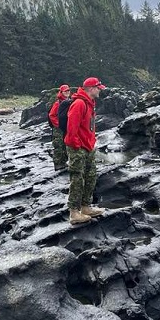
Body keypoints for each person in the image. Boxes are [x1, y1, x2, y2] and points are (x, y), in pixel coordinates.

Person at [63, 76, 106, 225]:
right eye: (98, 88)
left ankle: (86, 207)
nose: (100, 91)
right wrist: (77, 145)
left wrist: (91, 142)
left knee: (91, 176)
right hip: (78, 147)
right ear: (91, 89)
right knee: (77, 178)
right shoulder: (79, 103)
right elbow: (71, 128)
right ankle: (74, 212)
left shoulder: (89, 103)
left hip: (87, 146)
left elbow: (88, 126)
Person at [48, 84, 72, 171]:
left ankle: (64, 162)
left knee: (65, 144)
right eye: (65, 91)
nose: (67, 92)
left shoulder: (69, 101)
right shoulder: (57, 103)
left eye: (68, 90)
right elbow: (51, 115)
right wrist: (58, 124)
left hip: (65, 126)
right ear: (61, 92)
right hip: (58, 128)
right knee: (58, 145)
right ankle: (58, 164)